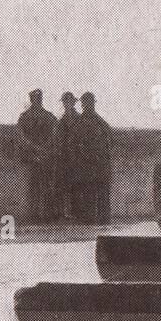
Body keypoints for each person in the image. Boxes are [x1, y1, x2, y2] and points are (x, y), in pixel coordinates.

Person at [14, 89, 58, 223]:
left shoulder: (25, 117)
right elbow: (53, 137)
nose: (37, 101)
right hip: (41, 157)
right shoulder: (48, 117)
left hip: (35, 157)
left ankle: (38, 215)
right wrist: (42, 149)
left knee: (39, 186)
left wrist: (35, 149)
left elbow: (21, 138)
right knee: (41, 186)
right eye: (36, 98)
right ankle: (42, 215)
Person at [71, 91, 113, 224]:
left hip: (97, 164)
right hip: (87, 164)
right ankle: (91, 220)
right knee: (88, 194)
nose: (87, 105)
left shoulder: (98, 122)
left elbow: (109, 140)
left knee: (99, 194)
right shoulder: (82, 122)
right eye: (85, 103)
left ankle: (100, 220)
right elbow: (74, 144)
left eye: (88, 103)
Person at [51, 92, 80, 222]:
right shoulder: (62, 119)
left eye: (68, 102)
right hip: (63, 158)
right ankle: (65, 213)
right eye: (64, 102)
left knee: (74, 186)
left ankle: (73, 213)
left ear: (73, 103)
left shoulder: (78, 119)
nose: (66, 104)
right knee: (62, 186)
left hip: (74, 158)